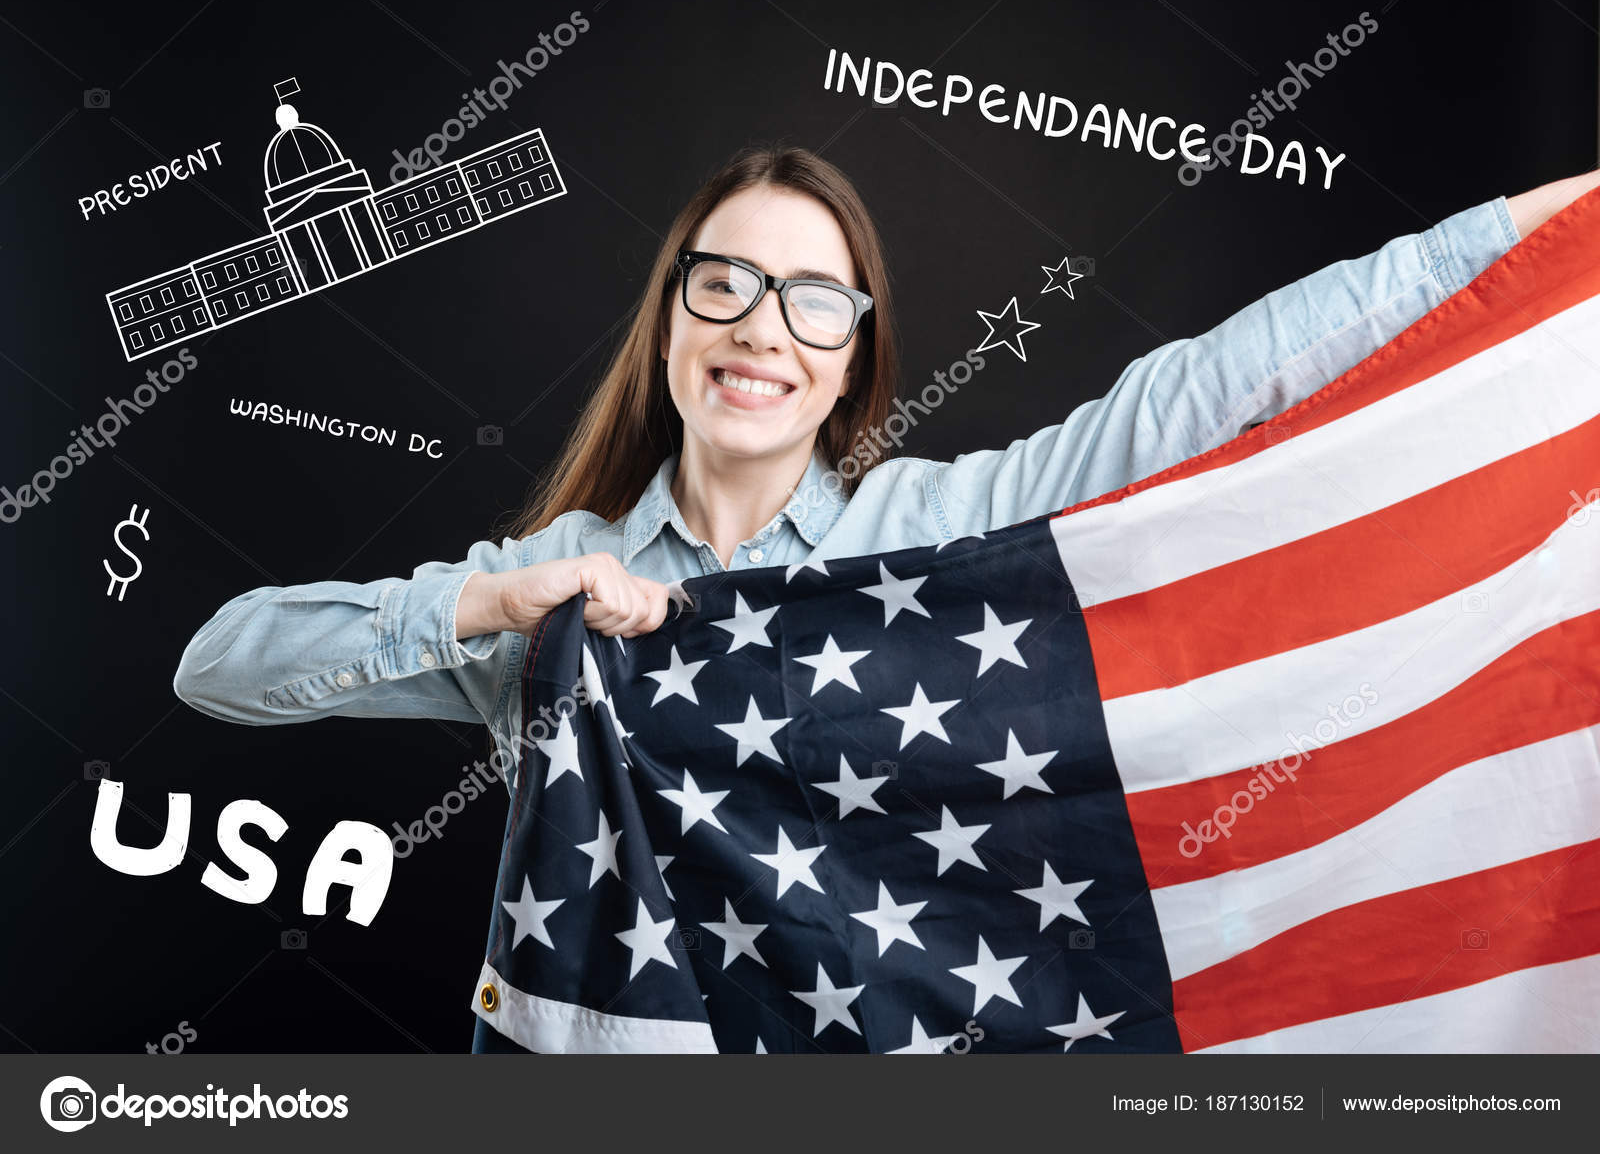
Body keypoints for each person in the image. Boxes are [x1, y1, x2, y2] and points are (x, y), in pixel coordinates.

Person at [172, 144, 1595, 1051]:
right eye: (721, 284)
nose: (760, 330)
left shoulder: (946, 531)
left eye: (812, 301)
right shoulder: (558, 591)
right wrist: (496, 606)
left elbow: (1203, 389)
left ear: (850, 358)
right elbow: (218, 664)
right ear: (672, 320)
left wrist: (1528, 237)